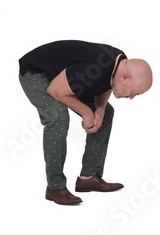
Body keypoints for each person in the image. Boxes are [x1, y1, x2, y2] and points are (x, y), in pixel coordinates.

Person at [18, 40, 152, 205]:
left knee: (106, 113)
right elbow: (55, 90)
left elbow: (107, 83)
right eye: (134, 92)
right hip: (36, 72)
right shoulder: (95, 66)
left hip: (63, 79)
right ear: (125, 78)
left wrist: (100, 110)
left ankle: (89, 177)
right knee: (58, 117)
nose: (131, 97)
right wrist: (86, 112)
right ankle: (55, 187)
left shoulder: (120, 64)